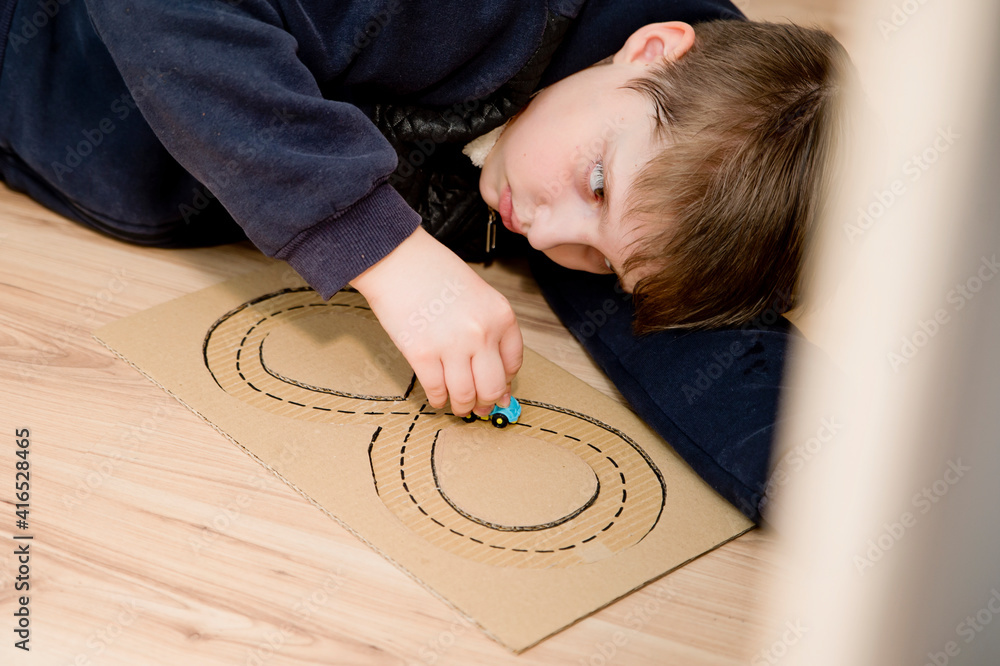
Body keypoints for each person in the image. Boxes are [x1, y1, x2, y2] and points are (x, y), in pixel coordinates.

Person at [0, 1, 851, 519]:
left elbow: (706, 351)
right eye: (595, 185)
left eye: (602, 258)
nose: (551, 237)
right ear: (653, 49)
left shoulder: (629, 148)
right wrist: (381, 244)